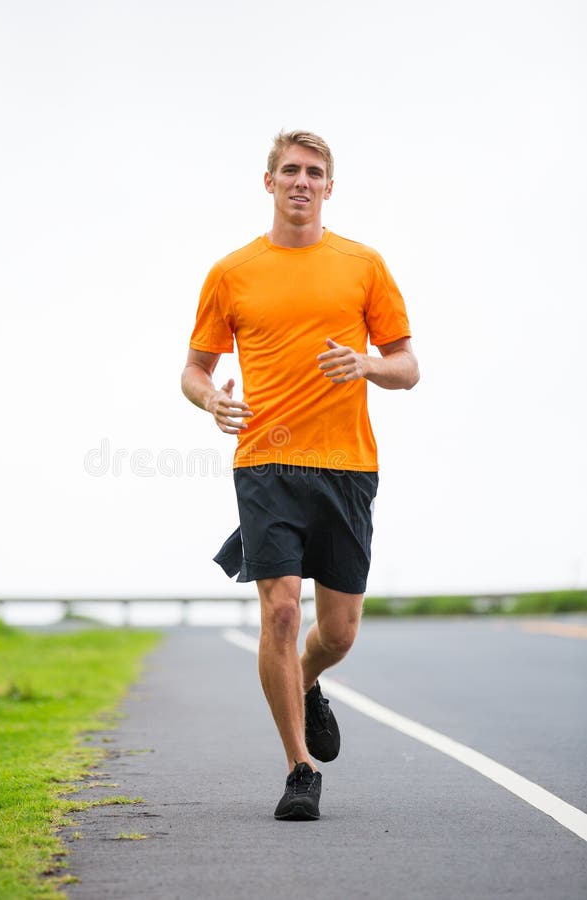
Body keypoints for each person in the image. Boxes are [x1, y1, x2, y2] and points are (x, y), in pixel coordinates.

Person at [181, 130, 419, 821]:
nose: (301, 181)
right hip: (264, 460)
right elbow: (194, 369)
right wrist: (211, 399)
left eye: (314, 172)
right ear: (268, 182)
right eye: (289, 170)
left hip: (346, 465)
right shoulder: (232, 272)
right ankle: (298, 769)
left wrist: (366, 364)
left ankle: (306, 680)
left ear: (328, 187)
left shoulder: (362, 264)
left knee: (337, 632)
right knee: (280, 609)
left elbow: (407, 365)